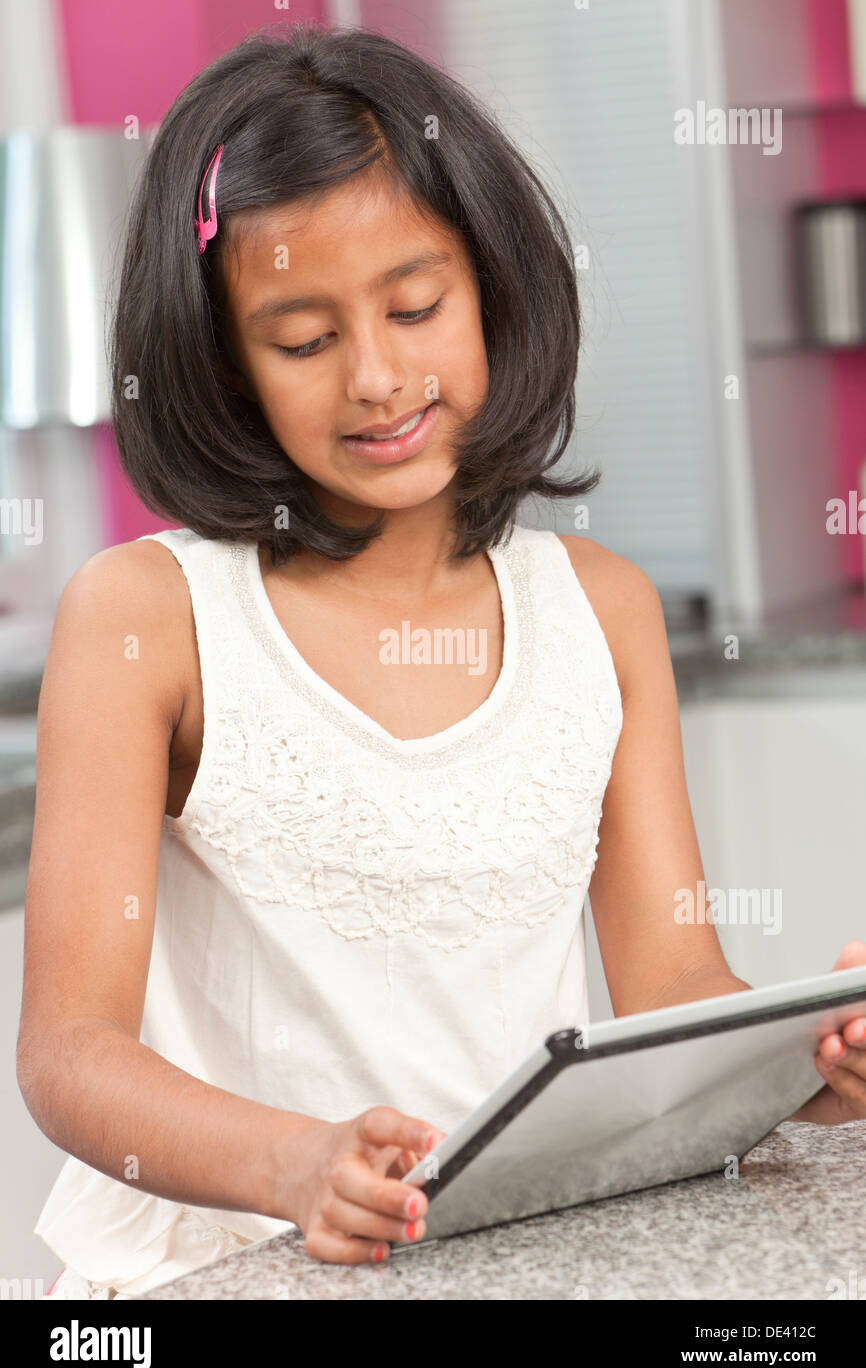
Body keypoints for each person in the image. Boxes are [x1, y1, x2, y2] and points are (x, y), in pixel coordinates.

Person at [18, 22, 866, 1301]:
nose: (376, 376)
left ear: (495, 288)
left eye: (415, 306)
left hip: (508, 1248)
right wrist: (296, 1165)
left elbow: (671, 983)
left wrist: (808, 1058)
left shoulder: (599, 608)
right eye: (301, 340)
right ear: (223, 364)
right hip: (234, 1264)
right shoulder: (147, 615)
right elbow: (70, 1053)